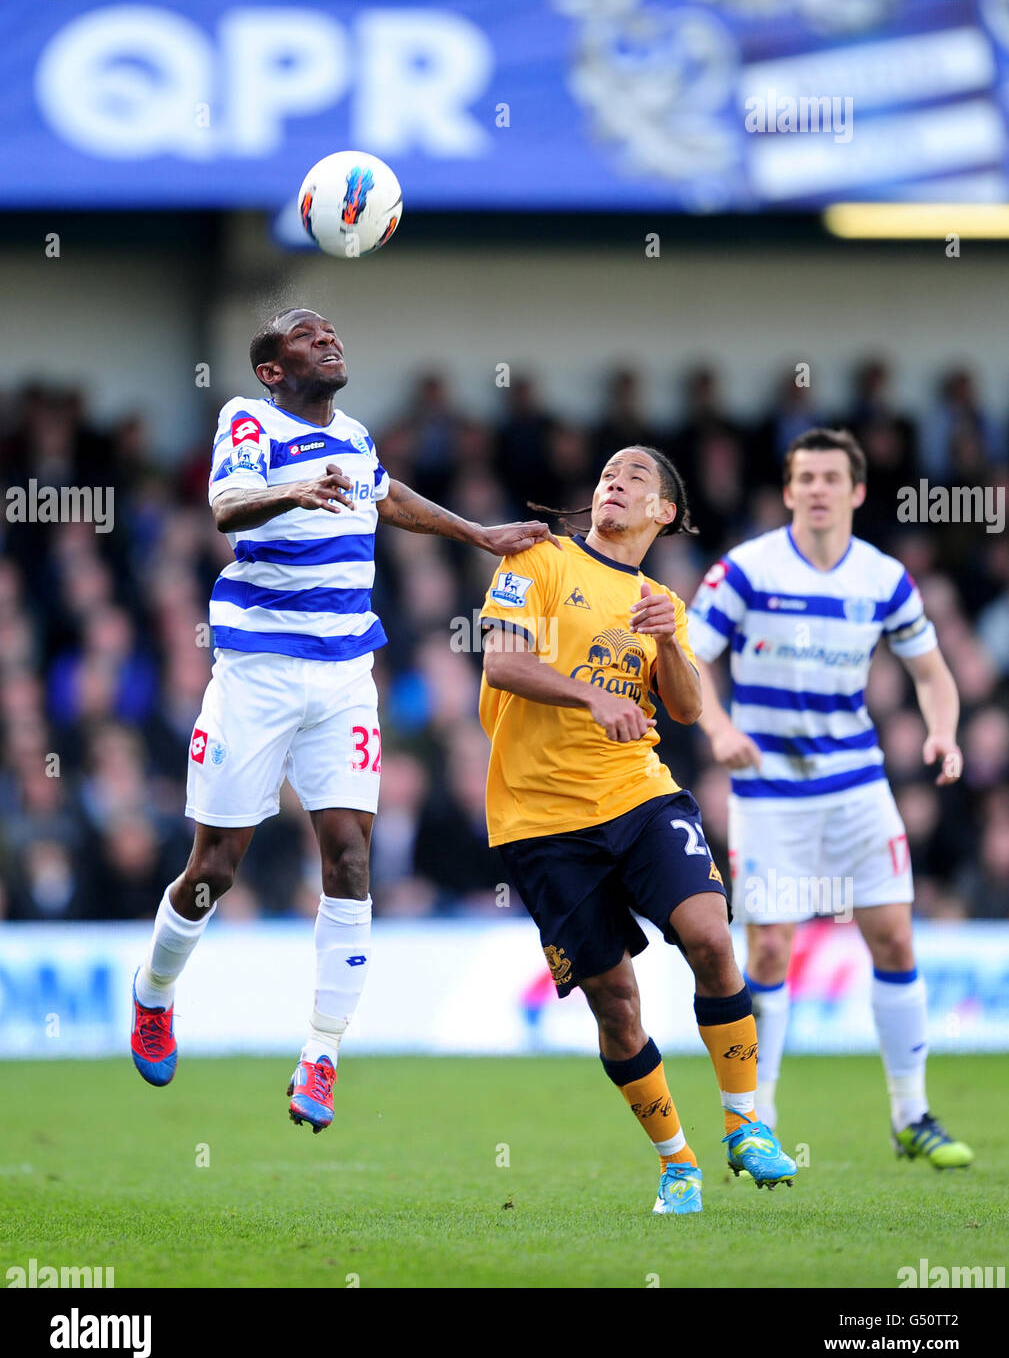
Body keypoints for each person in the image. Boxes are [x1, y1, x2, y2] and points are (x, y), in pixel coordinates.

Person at [130, 307, 555, 1131]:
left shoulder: (355, 437)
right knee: (215, 867)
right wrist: (294, 487)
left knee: (352, 859)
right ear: (271, 369)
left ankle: (321, 1057)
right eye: (303, 334)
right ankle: (153, 992)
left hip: (344, 675)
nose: (327, 338)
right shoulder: (248, 419)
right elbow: (226, 505)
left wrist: (479, 535)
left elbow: (385, 495)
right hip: (255, 673)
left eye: (331, 331)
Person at [478, 444, 796, 1216]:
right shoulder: (540, 558)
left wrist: (661, 642)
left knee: (712, 937)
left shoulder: (661, 600)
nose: (613, 482)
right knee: (615, 1003)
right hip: (538, 820)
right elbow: (500, 664)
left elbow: (684, 708)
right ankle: (676, 1162)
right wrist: (591, 696)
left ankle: (745, 1123)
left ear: (663, 513)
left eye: (635, 477)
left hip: (638, 793)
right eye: (607, 474)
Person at [687, 427, 973, 1168]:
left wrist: (941, 734)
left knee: (895, 938)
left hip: (856, 785)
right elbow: (684, 660)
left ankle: (911, 1115)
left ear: (856, 492)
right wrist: (717, 729)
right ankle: (758, 1119)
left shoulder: (881, 579)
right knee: (772, 947)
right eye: (803, 477)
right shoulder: (745, 570)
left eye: (829, 478)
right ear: (786, 492)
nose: (816, 489)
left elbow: (933, 673)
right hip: (768, 790)